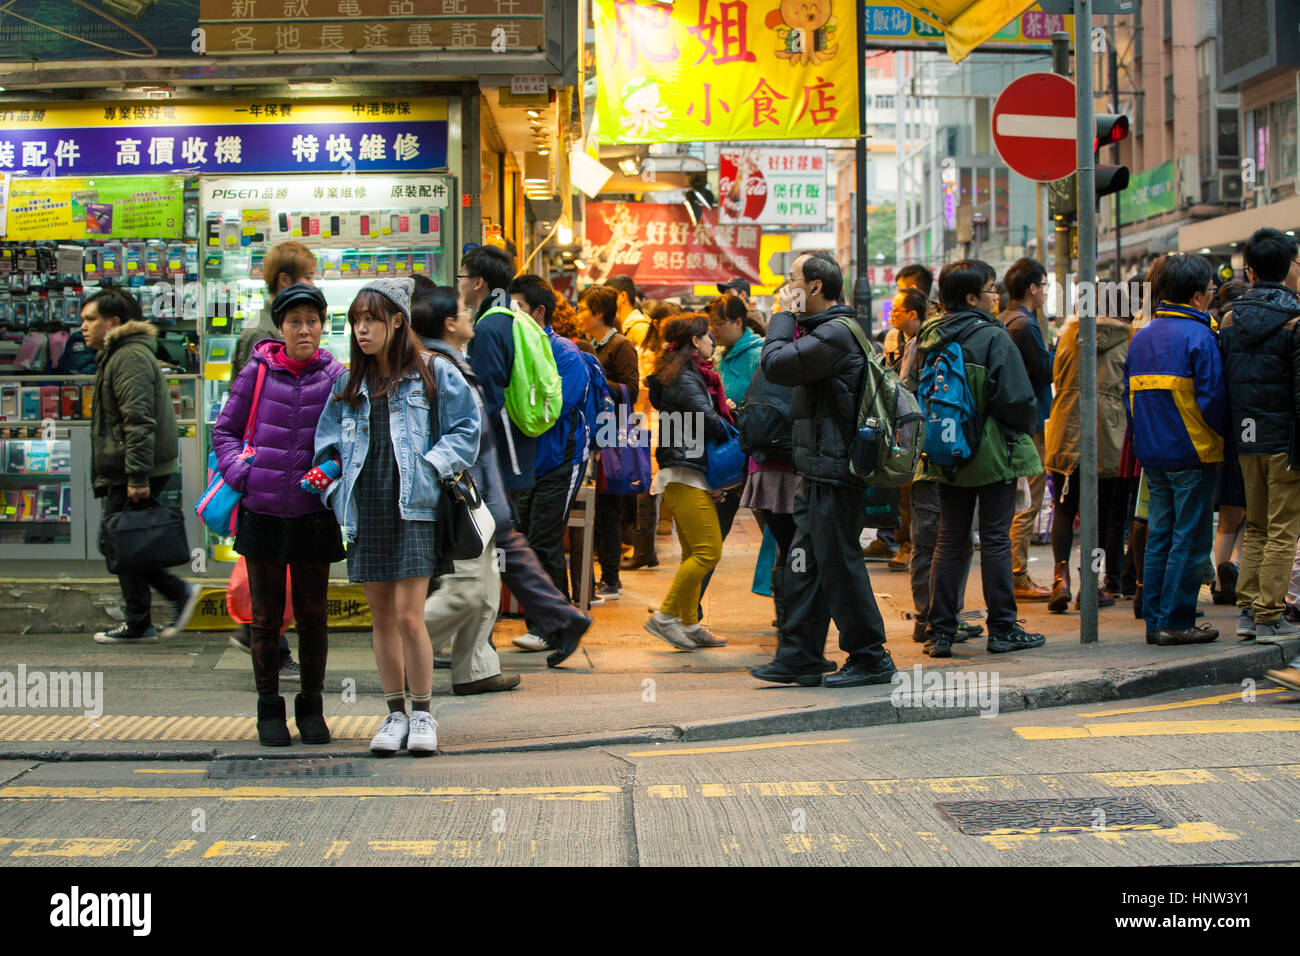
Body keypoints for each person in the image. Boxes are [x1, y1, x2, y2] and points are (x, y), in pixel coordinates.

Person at [312, 278, 481, 755]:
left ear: (397, 321)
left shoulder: (434, 371)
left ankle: (424, 713)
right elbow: (327, 446)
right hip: (366, 508)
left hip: (417, 507)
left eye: (372, 320)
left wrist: (432, 466)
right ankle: (394, 715)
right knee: (381, 618)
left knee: (410, 617)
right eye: (356, 322)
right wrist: (333, 489)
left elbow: (468, 429)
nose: (362, 330)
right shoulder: (349, 384)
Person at [751, 252, 896, 687]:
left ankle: (871, 656)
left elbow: (776, 365)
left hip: (835, 472)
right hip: (817, 469)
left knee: (839, 565)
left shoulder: (836, 334)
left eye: (791, 279)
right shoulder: (825, 331)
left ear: (814, 287)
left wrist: (779, 315)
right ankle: (799, 655)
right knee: (804, 564)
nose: (786, 286)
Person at [212, 284, 345, 746]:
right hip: (262, 512)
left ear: (322, 325)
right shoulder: (258, 372)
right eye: (294, 321)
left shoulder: (337, 377)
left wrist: (331, 468)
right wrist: (241, 473)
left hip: (313, 515)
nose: (304, 329)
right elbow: (224, 430)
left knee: (313, 619)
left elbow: (354, 439)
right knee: (265, 620)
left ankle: (312, 708)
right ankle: (269, 711)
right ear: (282, 328)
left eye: (312, 320)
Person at [916, 260, 1046, 659]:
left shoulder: (928, 337)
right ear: (972, 297)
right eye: (991, 289)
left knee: (950, 539)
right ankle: (1003, 628)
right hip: (992, 454)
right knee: (994, 538)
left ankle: (941, 630)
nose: (997, 296)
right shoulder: (993, 337)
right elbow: (1016, 400)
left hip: (944, 452)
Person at [410, 285, 521, 693]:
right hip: (459, 498)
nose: (470, 314)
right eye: (462, 310)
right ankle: (404, 652)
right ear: (448, 323)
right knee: (466, 591)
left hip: (477, 496)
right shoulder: (439, 366)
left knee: (486, 588)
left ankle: (476, 669)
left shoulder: (456, 361)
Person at [85, 288, 200, 645]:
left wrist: (136, 476)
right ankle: (141, 620)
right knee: (122, 542)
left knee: (118, 542)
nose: (83, 327)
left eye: (91, 319)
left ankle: (176, 594)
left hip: (135, 468)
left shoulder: (128, 357)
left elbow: (138, 420)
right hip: (130, 466)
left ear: (114, 322)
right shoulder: (118, 354)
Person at [1124, 254, 1227, 645]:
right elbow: (1213, 398)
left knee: (1160, 535)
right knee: (1191, 538)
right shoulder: (1200, 336)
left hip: (1152, 454)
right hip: (1193, 451)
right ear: (1199, 297)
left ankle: (1155, 621)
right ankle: (1176, 621)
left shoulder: (1144, 335)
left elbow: (1129, 401)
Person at [508, 274, 603, 637]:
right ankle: (547, 624)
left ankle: (557, 625)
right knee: (526, 541)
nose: (513, 317)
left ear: (540, 311)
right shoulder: (516, 349)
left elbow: (553, 410)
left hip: (561, 461)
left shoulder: (565, 353)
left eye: (519, 309)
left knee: (544, 541)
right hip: (528, 465)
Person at [1219, 228, 1300, 643]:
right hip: (1284, 440)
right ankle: (1271, 614)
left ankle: (1250, 610)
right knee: (1284, 529)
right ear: (1288, 267)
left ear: (1249, 270)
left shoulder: (1230, 318)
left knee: (1257, 525)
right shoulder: (1295, 320)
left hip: (1245, 438)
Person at [1042, 282, 1133, 613]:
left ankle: (1060, 578)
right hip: (1107, 433)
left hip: (1066, 426)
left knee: (1064, 508)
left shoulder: (1067, 336)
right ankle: (1090, 585)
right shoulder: (1129, 338)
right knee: (1101, 513)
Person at [644, 314, 732, 649]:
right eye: (708, 336)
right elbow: (707, 421)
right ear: (695, 341)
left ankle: (690, 623)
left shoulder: (682, 371)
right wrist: (731, 422)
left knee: (692, 552)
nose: (712, 341)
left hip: (685, 469)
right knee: (708, 552)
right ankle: (665, 617)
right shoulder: (683, 375)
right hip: (685, 471)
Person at [696, 294, 763, 606]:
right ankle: (688, 608)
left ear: (738, 322)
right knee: (708, 539)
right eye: (710, 325)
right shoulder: (719, 355)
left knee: (777, 536)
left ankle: (790, 615)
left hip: (758, 459)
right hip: (727, 461)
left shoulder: (759, 354)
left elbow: (770, 403)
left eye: (718, 324)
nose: (713, 331)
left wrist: (739, 409)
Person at [460, 244, 538, 495]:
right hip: (517, 446)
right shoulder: (508, 315)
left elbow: (488, 399)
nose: (459, 284)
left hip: (503, 455)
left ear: (477, 282)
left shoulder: (489, 327)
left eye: (462, 276)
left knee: (500, 529)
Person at [999, 258, 1055, 602]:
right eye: (1044, 286)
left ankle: (1013, 572)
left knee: (1016, 499)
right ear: (1033, 288)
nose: (1046, 293)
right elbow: (1045, 370)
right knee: (1028, 500)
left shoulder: (1006, 320)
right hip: (1030, 423)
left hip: (1012, 420)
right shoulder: (1024, 325)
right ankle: (1017, 573)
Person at [580, 284, 639, 601]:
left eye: (582, 309)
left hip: (614, 435)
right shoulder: (590, 344)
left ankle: (612, 579)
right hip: (594, 434)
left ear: (598, 313)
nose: (579, 314)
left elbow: (632, 389)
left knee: (609, 509)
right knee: (598, 509)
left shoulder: (620, 345)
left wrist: (599, 380)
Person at [1210, 279, 1251, 605]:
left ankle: (1222, 580)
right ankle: (1235, 575)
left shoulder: (1218, 332)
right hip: (1260, 428)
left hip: (1229, 431)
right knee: (1255, 518)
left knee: (1228, 516)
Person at [233, 241, 317, 379]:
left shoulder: (279, 323)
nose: (313, 285)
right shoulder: (262, 333)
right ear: (284, 280)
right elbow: (254, 392)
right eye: (308, 277)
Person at [604, 274, 650, 348]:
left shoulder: (640, 326)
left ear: (622, 296)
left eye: (608, 296)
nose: (605, 301)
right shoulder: (621, 325)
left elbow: (646, 358)